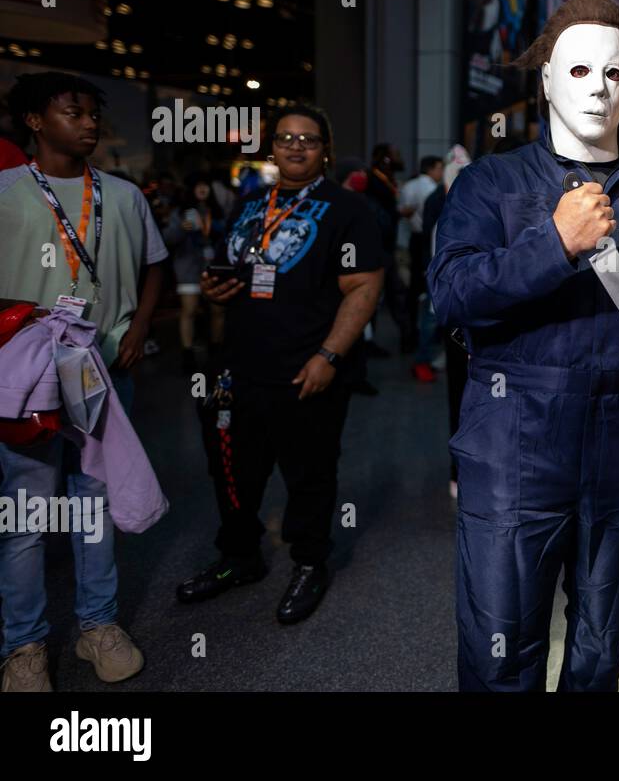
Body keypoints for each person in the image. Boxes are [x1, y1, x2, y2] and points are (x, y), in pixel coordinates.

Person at [428, 0, 619, 691]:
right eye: (576, 71)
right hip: (514, 443)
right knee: (500, 648)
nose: (597, 89)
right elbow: (450, 296)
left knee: (600, 649)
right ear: (544, 80)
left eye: (613, 73)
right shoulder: (493, 182)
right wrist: (553, 245)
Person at [176, 104, 383, 625]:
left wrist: (328, 356)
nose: (295, 146)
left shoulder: (347, 209)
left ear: (325, 149)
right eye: (286, 138)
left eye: (308, 140)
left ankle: (310, 563)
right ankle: (240, 557)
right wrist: (213, 288)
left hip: (307, 371)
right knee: (232, 474)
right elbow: (237, 271)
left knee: (309, 475)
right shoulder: (251, 204)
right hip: (240, 369)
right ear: (272, 147)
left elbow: (364, 287)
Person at [0, 71, 167, 691]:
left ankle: (98, 625)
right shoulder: (6, 192)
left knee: (92, 500)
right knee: (26, 509)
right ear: (36, 122)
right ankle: (23, 645)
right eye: (74, 112)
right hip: (28, 374)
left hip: (98, 368)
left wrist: (138, 327)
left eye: (94, 113)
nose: (91, 122)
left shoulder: (123, 196)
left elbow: (153, 265)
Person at [161, 173, 226, 373]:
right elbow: (167, 238)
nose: (202, 189)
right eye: (198, 185)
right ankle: (187, 355)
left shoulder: (217, 211)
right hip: (188, 267)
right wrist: (181, 228)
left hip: (214, 267)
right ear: (191, 189)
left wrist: (216, 228)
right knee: (188, 311)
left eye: (205, 185)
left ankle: (216, 351)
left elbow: (229, 235)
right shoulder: (180, 212)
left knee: (218, 310)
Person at [400, 155, 443, 371]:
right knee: (430, 306)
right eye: (439, 168)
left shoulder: (409, 185)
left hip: (417, 240)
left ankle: (411, 339)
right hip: (431, 248)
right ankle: (423, 356)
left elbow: (403, 211)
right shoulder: (435, 193)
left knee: (417, 292)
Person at [364, 143, 408, 353]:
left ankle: (408, 337)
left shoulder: (384, 179)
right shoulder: (373, 180)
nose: (398, 158)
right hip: (378, 248)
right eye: (394, 155)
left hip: (384, 247)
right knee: (379, 294)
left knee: (393, 293)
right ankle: (368, 341)